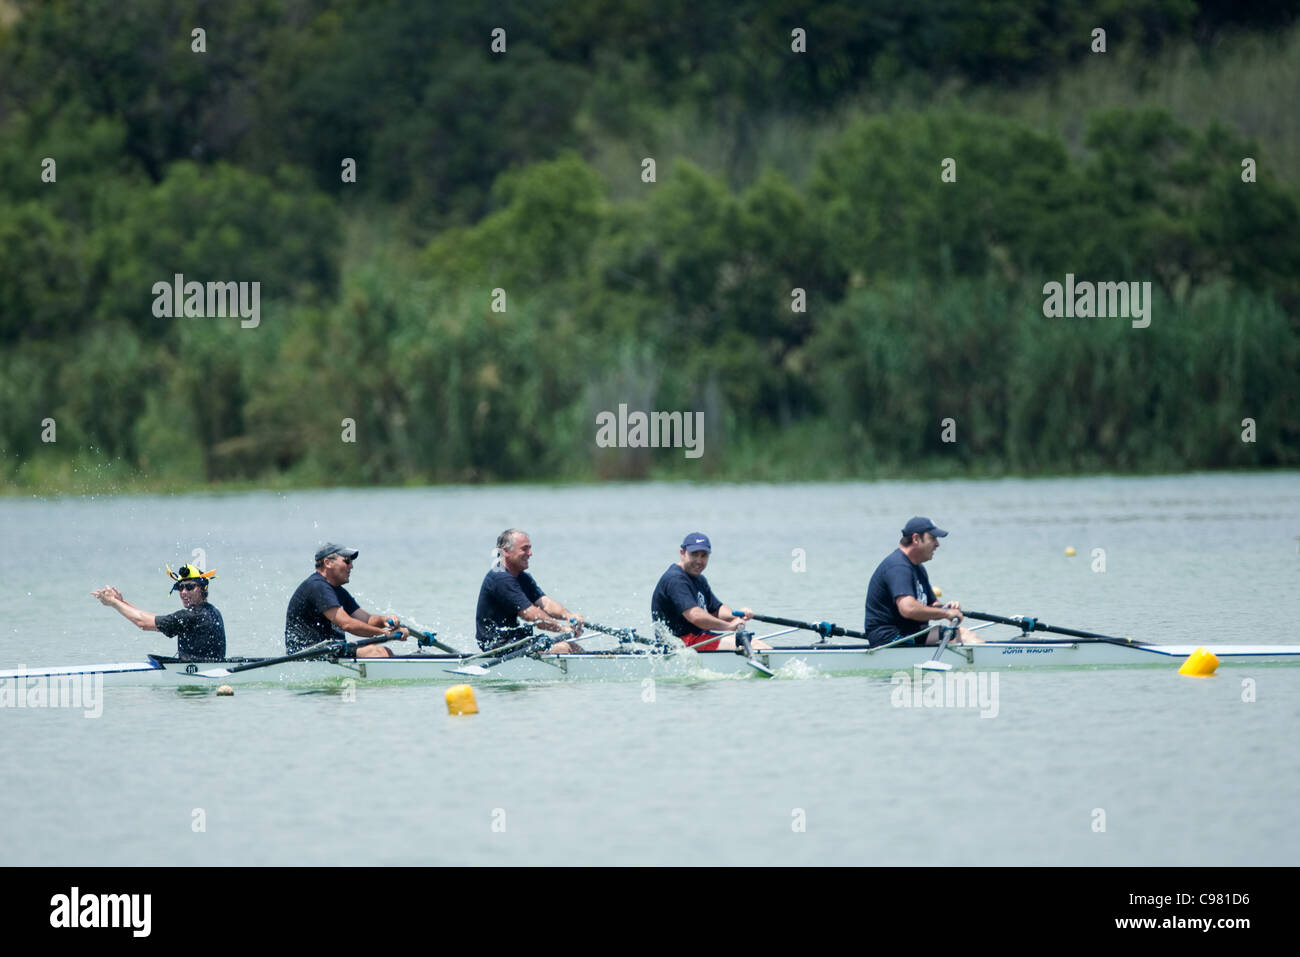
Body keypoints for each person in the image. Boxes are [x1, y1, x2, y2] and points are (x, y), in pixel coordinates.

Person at [864, 517, 981, 647]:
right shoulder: (898, 567)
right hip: (891, 639)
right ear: (916, 539)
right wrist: (946, 614)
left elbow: (932, 604)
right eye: (933, 538)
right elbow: (908, 609)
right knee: (961, 635)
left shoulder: (918, 568)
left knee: (959, 634)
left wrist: (946, 608)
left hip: (912, 634)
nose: (937, 544)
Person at [284, 544, 409, 656]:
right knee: (379, 653)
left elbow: (367, 620)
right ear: (327, 563)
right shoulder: (317, 586)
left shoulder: (338, 591)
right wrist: (386, 633)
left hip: (332, 650)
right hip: (308, 654)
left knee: (382, 652)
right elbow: (347, 624)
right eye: (347, 561)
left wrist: (384, 621)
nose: (351, 566)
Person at [650, 533, 768, 651]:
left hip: (698, 638)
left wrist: (738, 615)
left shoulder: (699, 579)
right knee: (756, 646)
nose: (699, 561)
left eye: (703, 556)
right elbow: (695, 616)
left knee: (758, 644)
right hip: (682, 643)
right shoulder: (675, 579)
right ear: (682, 553)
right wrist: (729, 626)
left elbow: (716, 609)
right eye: (694, 555)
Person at [475, 529, 584, 653]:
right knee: (564, 648)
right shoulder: (500, 578)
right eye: (524, 548)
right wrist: (562, 628)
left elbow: (546, 603)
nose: (530, 553)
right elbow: (530, 614)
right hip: (497, 645)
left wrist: (569, 616)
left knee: (573, 647)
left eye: (530, 548)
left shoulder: (523, 577)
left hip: (517, 640)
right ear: (506, 551)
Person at [92, 564, 226, 660]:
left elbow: (143, 623)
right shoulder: (212, 610)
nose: (184, 592)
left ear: (202, 589)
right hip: (205, 668)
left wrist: (114, 603)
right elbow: (152, 618)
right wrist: (122, 602)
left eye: (190, 587)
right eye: (180, 587)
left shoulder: (191, 616)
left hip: (196, 673)